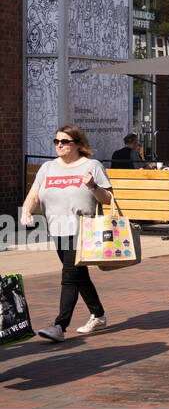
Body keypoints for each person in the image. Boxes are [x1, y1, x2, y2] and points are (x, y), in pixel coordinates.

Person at [20, 125, 113, 341]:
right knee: (79, 275)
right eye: (56, 141)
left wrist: (92, 186)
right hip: (57, 229)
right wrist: (26, 210)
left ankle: (60, 326)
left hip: (82, 229)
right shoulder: (47, 168)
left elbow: (107, 198)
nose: (59, 145)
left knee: (70, 276)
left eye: (65, 141)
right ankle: (99, 315)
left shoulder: (92, 166)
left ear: (79, 144)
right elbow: (34, 194)